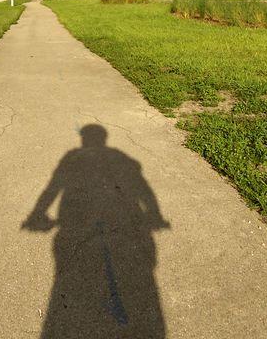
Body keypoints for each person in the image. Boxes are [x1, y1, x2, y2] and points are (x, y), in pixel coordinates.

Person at [22, 124, 169, 338]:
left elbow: (54, 185)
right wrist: (155, 215)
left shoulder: (73, 157)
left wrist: (38, 214)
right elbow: (142, 186)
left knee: (67, 284)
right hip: (128, 223)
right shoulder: (121, 157)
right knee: (142, 276)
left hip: (69, 225)